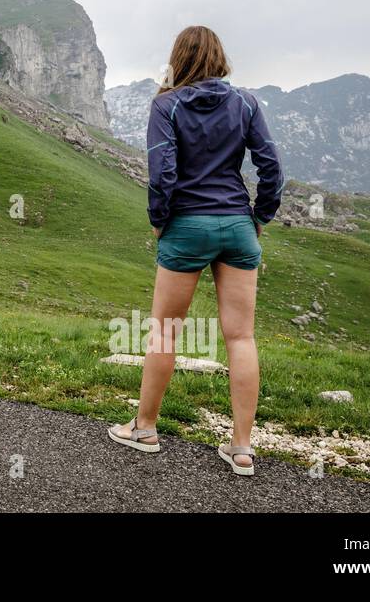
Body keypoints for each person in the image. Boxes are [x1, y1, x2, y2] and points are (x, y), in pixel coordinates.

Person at [108, 26, 283, 476]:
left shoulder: (165, 104)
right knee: (241, 337)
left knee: (165, 332)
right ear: (219, 57)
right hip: (238, 227)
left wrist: (159, 219)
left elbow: (161, 172)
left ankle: (144, 428)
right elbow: (271, 167)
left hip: (186, 225)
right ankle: (241, 447)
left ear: (177, 58)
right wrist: (259, 217)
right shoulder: (245, 102)